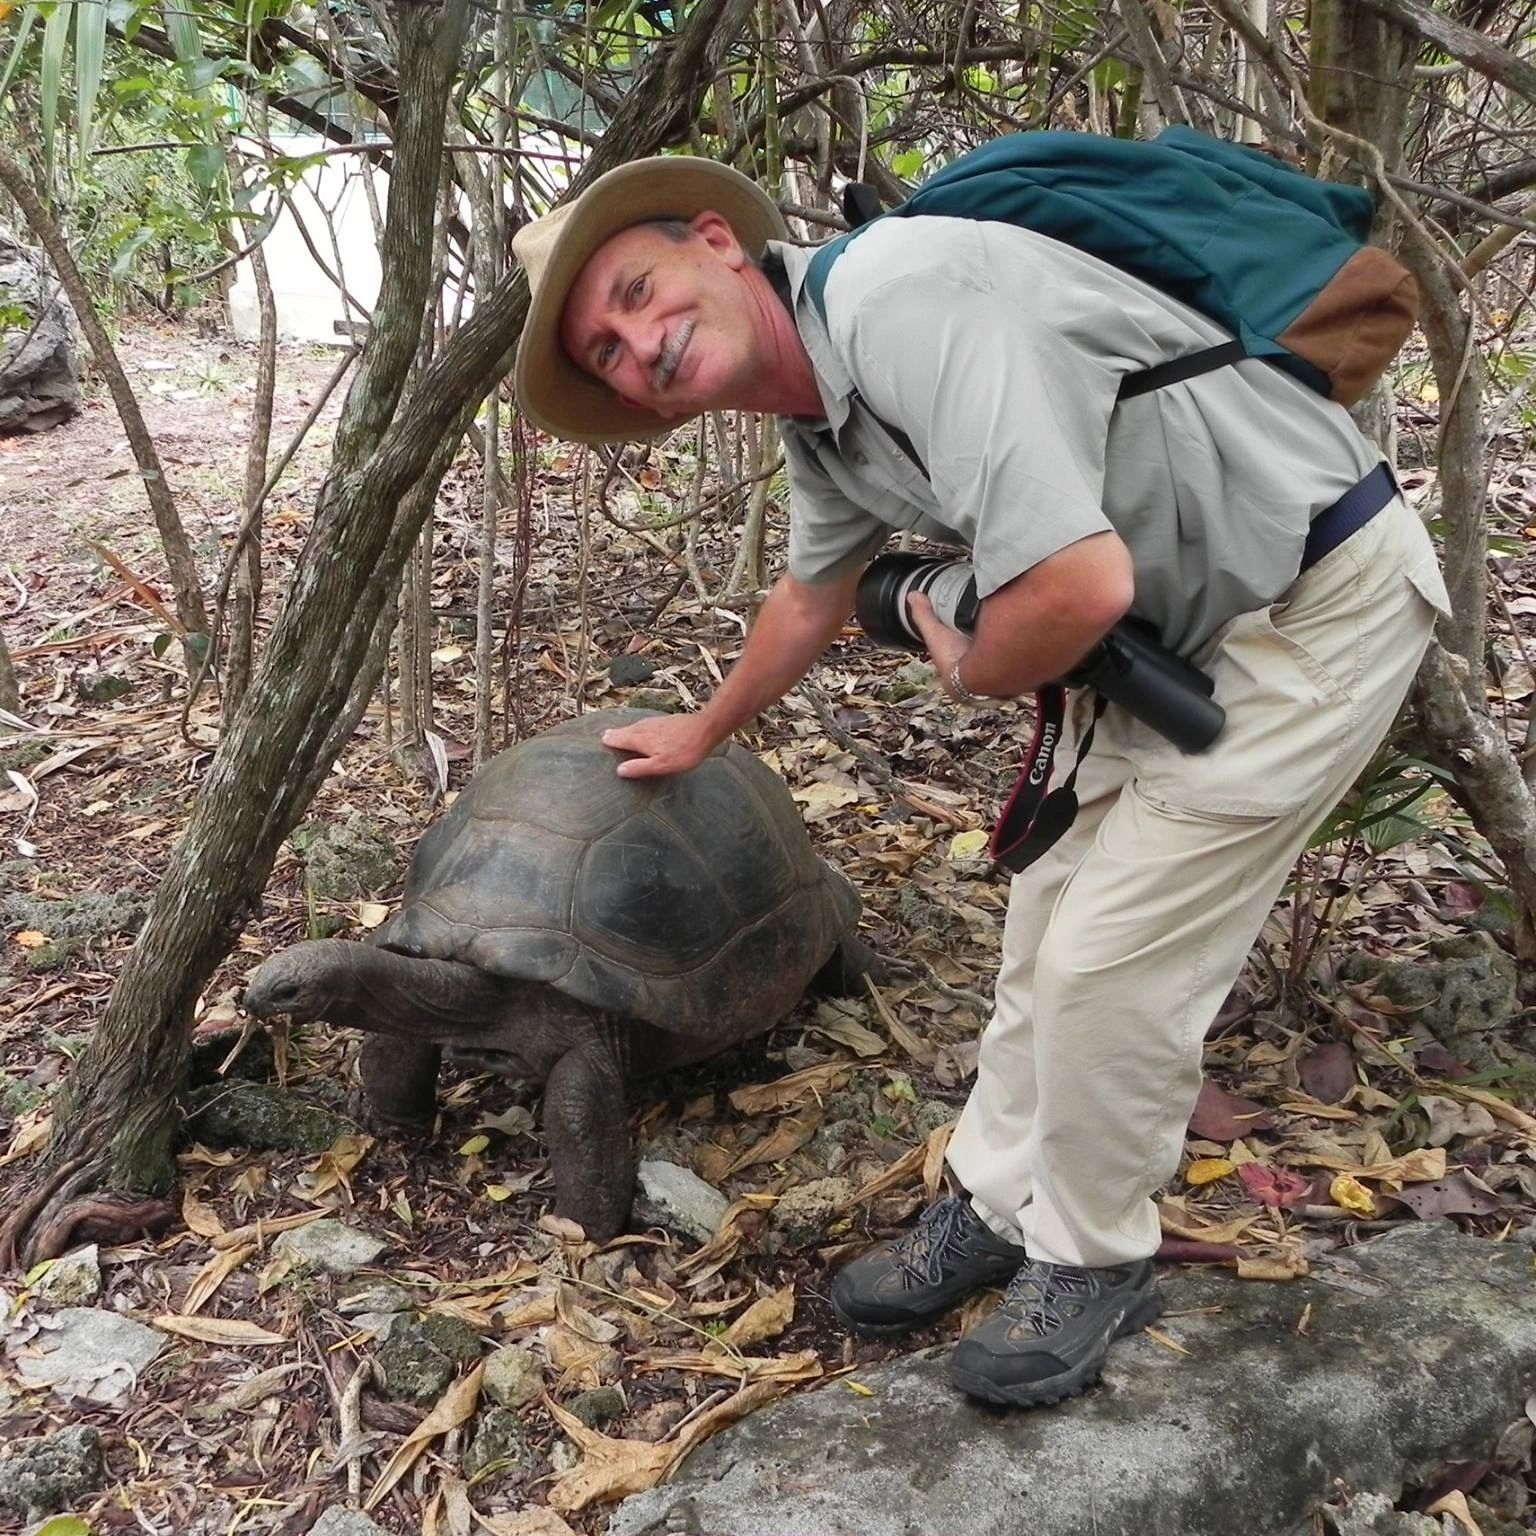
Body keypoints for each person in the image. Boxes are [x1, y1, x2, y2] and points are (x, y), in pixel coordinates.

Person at [509, 153, 1449, 1409]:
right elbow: (813, 594)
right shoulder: (822, 414)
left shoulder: (904, 295)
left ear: (716, 243)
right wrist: (703, 730)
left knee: (1110, 961)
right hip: (1173, 636)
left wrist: (966, 651)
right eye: (609, 351)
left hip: (1308, 603)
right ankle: (1001, 1204)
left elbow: (1071, 591)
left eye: (636, 290)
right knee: (1044, 921)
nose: (641, 343)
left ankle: (1094, 1254)